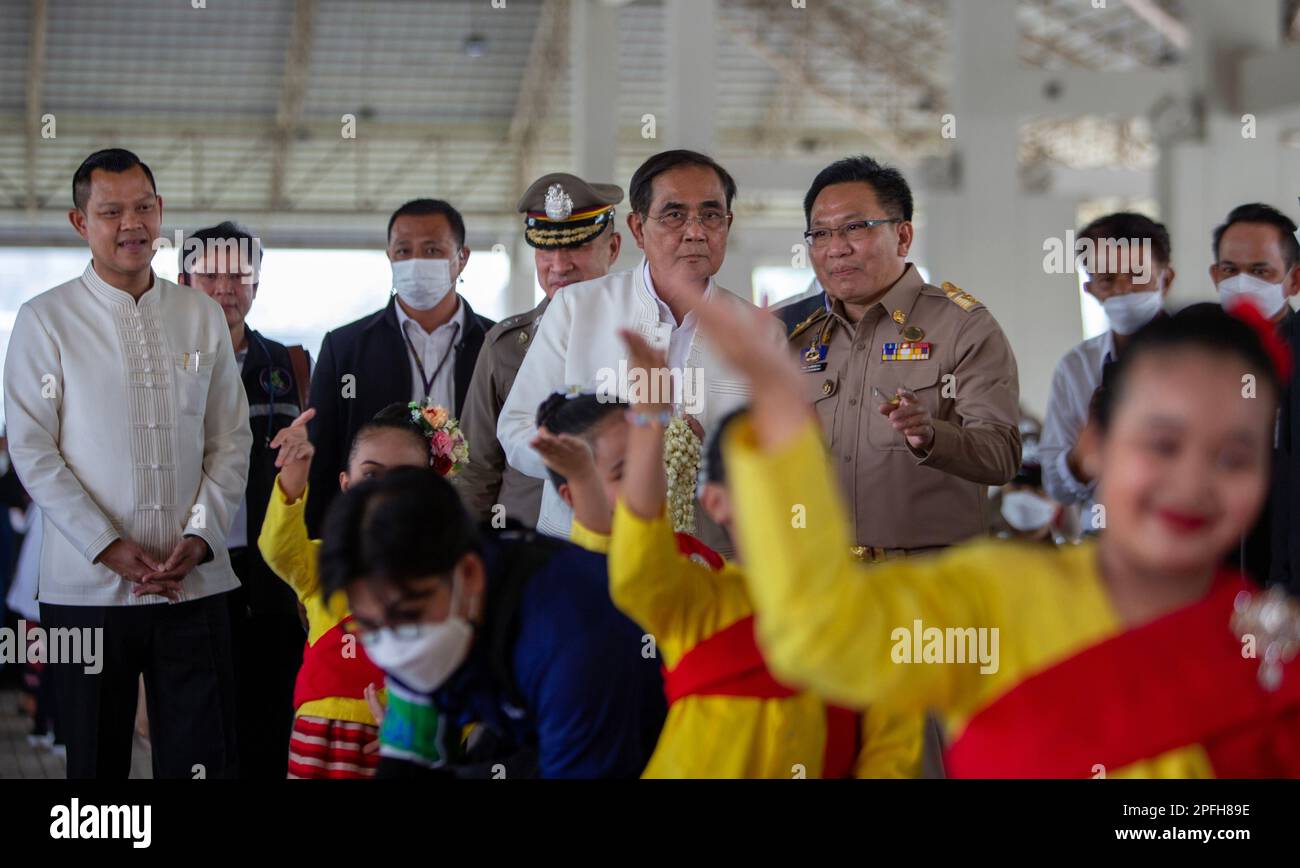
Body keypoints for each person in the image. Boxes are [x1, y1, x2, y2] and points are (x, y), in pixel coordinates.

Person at [696, 292, 1300, 777]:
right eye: (1163, 444)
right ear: (1095, 443)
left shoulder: (1273, 647)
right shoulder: (995, 597)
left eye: (1234, 457)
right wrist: (778, 415)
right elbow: (820, 636)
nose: (1193, 483)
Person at [3, 148, 250, 778]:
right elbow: (34, 450)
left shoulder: (199, 315)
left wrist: (201, 537)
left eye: (143, 207)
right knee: (93, 765)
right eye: (110, 210)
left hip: (193, 584)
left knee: (202, 761)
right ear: (80, 222)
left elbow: (230, 437)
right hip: (85, 589)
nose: (130, 223)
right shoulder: (45, 320)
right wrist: (106, 544)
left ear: (161, 212)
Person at [585, 328, 922, 778]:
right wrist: (650, 421)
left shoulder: (871, 616)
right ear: (716, 502)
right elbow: (636, 570)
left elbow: (892, 755)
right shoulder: (702, 600)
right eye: (762, 484)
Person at [497, 149, 785, 554]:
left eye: (711, 215)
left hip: (708, 563)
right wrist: (598, 462)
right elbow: (516, 429)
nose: (696, 231)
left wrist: (716, 454)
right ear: (637, 228)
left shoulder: (759, 332)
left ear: (728, 224)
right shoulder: (578, 308)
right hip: (587, 551)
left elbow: (780, 451)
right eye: (674, 215)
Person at [317, 466, 667, 778]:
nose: (393, 647)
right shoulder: (423, 624)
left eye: (408, 616)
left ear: (468, 574)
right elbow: (408, 759)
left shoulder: (570, 642)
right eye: (370, 627)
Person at [787, 156, 1021, 560]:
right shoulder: (794, 335)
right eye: (820, 234)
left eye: (855, 228)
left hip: (928, 584)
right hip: (824, 579)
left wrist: (931, 436)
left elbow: (1001, 456)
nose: (836, 249)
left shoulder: (962, 327)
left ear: (903, 236)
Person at [178, 220, 311, 778]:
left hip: (267, 581)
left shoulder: (287, 365)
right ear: (183, 280)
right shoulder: (157, 365)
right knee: (193, 735)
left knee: (266, 732)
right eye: (210, 273)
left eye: (240, 273)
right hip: (185, 573)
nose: (226, 287)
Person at [258, 403, 433, 779]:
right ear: (346, 485)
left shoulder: (441, 578)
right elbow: (278, 548)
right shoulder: (324, 561)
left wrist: (425, 732)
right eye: (371, 475)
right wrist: (294, 475)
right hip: (316, 742)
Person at [306, 198, 494, 534]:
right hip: (374, 531)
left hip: (471, 527)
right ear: (389, 255)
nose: (416, 261)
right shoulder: (345, 347)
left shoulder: (496, 343)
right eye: (404, 251)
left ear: (461, 258)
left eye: (433, 250)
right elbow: (323, 461)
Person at [456, 173, 623, 528]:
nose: (559, 265)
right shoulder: (504, 345)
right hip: (525, 546)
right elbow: (476, 468)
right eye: (546, 248)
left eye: (576, 246)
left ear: (613, 248)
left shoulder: (638, 336)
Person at [1040, 212, 1175, 531]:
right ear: (1090, 289)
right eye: (1107, 279)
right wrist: (1085, 452)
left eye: (1136, 273)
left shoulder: (1208, 360)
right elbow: (1056, 486)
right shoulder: (1077, 368)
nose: (1123, 288)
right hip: (1103, 541)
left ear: (1166, 279)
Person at [1206, 204, 1300, 592]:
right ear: (1215, 275)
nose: (1242, 283)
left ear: (1294, 281)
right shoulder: (1194, 358)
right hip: (1212, 577)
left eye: (1260, 272)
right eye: (1230, 270)